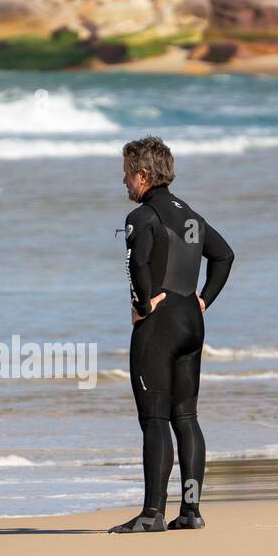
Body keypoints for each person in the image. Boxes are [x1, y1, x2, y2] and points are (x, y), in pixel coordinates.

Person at [110, 137, 234, 533]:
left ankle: (151, 514)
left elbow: (139, 264)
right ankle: (191, 511)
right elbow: (224, 254)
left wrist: (142, 306)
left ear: (143, 176)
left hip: (159, 326)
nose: (124, 180)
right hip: (191, 323)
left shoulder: (142, 217)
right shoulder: (191, 215)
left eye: (127, 173)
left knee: (154, 419)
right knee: (187, 418)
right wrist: (203, 300)